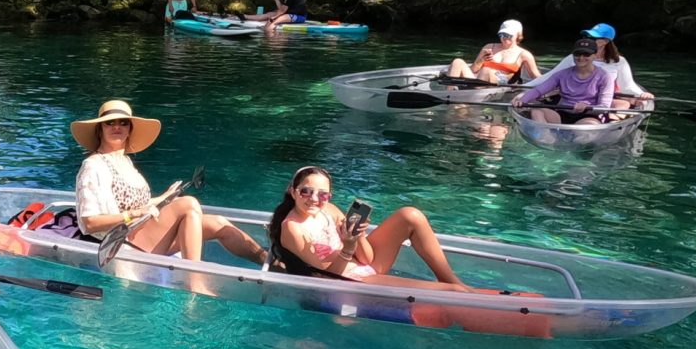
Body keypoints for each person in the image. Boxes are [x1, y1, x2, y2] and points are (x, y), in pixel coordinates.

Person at [71, 99, 267, 263]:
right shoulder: (94, 166)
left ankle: (275, 265)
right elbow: (89, 223)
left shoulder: (125, 162)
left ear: (130, 129)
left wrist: (164, 198)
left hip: (142, 231)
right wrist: (133, 214)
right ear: (99, 129)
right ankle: (194, 281)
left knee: (218, 223)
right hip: (121, 243)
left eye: (123, 122)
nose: (117, 127)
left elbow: (136, 204)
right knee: (188, 204)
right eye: (110, 123)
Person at [267, 166, 472, 289]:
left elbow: (367, 259)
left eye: (322, 194)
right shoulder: (293, 228)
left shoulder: (328, 209)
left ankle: (451, 279)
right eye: (306, 191)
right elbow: (326, 280)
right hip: (347, 283)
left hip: (363, 265)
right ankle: (456, 291)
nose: (314, 199)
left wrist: (359, 237)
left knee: (410, 215)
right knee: (453, 293)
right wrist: (347, 249)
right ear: (293, 192)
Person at [517, 38, 617, 124]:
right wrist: (522, 99)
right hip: (562, 113)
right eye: (577, 54)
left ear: (594, 55)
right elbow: (539, 90)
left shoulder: (604, 77)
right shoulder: (562, 74)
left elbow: (604, 107)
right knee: (536, 112)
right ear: (573, 55)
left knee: (582, 133)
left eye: (586, 54)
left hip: (589, 115)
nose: (581, 58)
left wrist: (587, 107)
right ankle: (547, 140)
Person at [582, 23, 653, 110]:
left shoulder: (619, 61)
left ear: (606, 41)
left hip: (605, 100)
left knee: (624, 105)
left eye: (593, 38)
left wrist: (641, 94)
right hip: (574, 99)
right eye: (586, 37)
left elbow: (627, 86)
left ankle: (613, 119)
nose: (588, 41)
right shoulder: (575, 57)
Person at [447, 19, 540, 83]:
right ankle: (450, 92)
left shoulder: (524, 54)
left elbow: (536, 77)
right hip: (477, 79)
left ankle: (474, 95)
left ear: (518, 35)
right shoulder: (489, 46)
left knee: (486, 70)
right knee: (457, 62)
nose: (504, 38)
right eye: (502, 35)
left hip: (500, 83)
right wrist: (481, 60)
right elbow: (473, 70)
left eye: (508, 35)